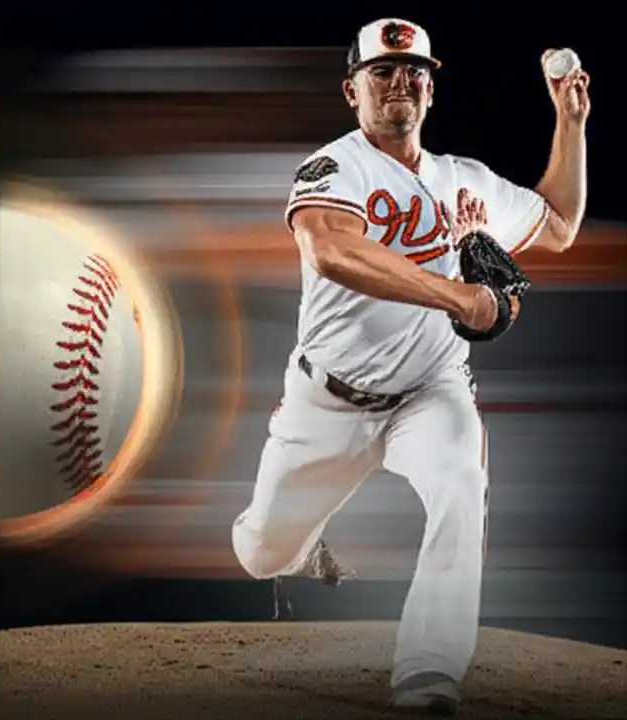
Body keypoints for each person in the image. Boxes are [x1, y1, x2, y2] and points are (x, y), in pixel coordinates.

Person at [229, 18, 589, 714]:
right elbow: (332, 249)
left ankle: (428, 675)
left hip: (431, 391)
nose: (401, 83)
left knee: (462, 477)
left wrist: (569, 121)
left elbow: (559, 224)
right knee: (261, 555)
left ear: (431, 88)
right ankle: (298, 545)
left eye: (415, 72)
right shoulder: (335, 167)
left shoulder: (468, 181)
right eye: (383, 72)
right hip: (326, 403)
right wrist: (458, 294)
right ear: (351, 90)